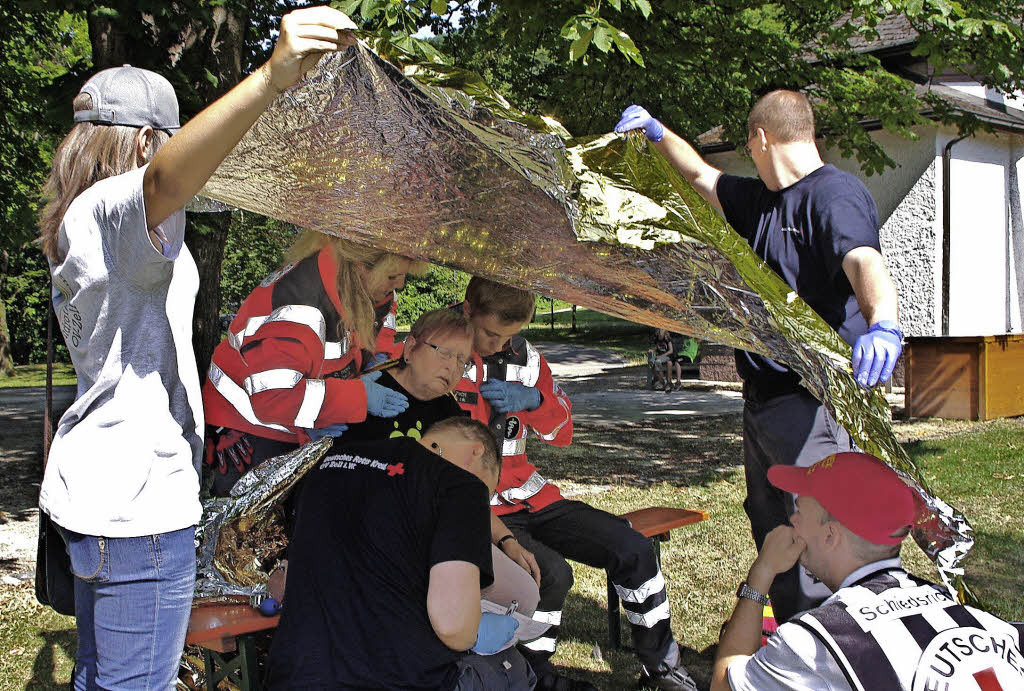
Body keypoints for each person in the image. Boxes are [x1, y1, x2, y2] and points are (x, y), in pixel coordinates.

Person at [35, 7, 357, 689]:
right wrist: (269, 77)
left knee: (102, 675)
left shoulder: (86, 223)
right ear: (148, 140)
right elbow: (163, 183)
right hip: (138, 508)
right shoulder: (112, 212)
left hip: (105, 498)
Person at [616, 91, 904, 623]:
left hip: (813, 403)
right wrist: (657, 133)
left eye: (748, 145)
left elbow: (864, 259)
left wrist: (882, 323)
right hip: (764, 403)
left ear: (761, 138)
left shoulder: (833, 195)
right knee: (774, 526)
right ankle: (795, 636)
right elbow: (701, 176)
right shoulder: (763, 201)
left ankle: (836, 647)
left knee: (821, 533)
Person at [455, 277, 697, 691]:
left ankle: (662, 666)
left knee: (632, 547)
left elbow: (562, 432)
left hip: (531, 496)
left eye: (510, 336)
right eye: (491, 333)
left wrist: (535, 401)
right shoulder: (446, 350)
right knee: (551, 573)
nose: (499, 345)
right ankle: (534, 674)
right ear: (467, 311)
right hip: (479, 507)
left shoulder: (527, 358)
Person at [712, 451, 1024, 690]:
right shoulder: (978, 618)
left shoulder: (810, 642)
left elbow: (724, 683)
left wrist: (761, 573)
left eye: (800, 511)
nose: (791, 521)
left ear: (830, 536)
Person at [266, 416, 537, 690]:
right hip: (395, 680)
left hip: (294, 677)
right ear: (476, 452)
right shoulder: (463, 486)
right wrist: (475, 631)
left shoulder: (331, 461)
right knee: (514, 670)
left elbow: (281, 586)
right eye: (487, 490)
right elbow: (454, 627)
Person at [201, 230, 426, 496]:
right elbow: (274, 398)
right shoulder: (301, 307)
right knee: (251, 529)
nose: (399, 284)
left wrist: (375, 360)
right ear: (360, 266)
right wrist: (357, 398)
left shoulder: (351, 282)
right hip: (246, 429)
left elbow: (374, 327)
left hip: (289, 421)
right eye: (392, 276)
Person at [648, 328, 674, 392]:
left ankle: (662, 381)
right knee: (651, 362)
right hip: (659, 356)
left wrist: (661, 356)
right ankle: (659, 379)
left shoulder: (667, 339)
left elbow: (671, 351)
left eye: (662, 330)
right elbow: (658, 348)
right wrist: (653, 350)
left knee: (657, 362)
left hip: (667, 356)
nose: (660, 332)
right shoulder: (656, 339)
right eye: (659, 330)